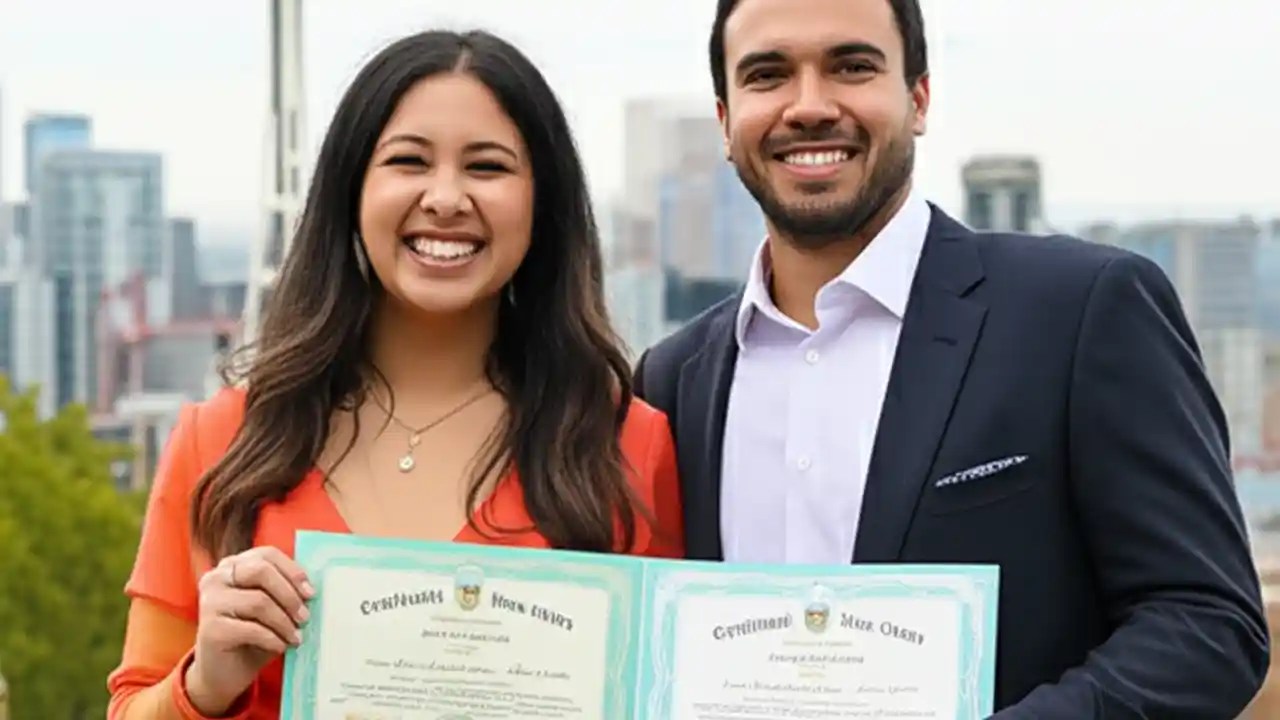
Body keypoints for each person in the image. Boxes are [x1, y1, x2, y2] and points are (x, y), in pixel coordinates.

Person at [632, 0, 1269, 716]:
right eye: (768, 74)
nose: (808, 106)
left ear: (918, 98)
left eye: (851, 66)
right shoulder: (672, 378)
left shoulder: (1081, 310)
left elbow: (1209, 623)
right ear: (725, 121)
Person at [108, 29, 683, 720]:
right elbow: (132, 703)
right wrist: (207, 681)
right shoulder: (223, 439)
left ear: (543, 207)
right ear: (352, 191)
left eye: (488, 167)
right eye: (408, 161)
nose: (445, 197)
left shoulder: (625, 445)